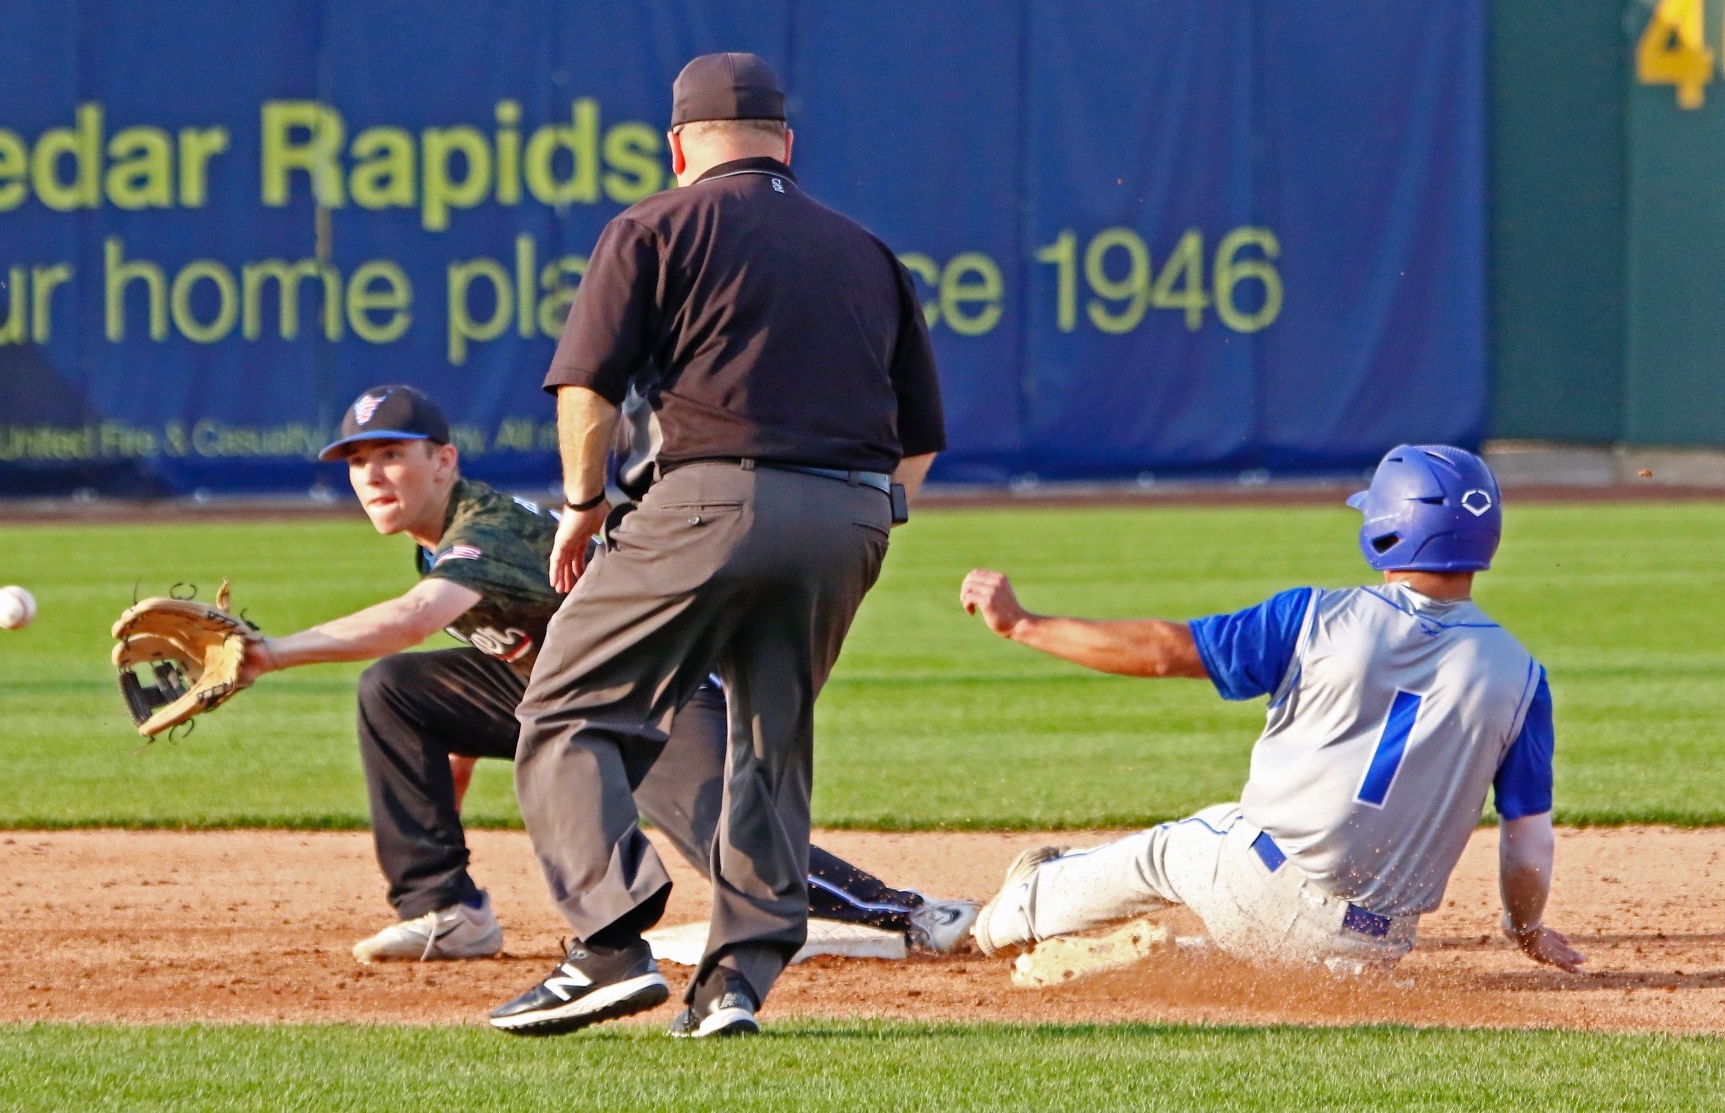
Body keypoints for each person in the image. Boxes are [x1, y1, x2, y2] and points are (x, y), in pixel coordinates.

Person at [491, 52, 946, 1038]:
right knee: (768, 748)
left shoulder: (653, 226)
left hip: (707, 499)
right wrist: (865, 521)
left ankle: (608, 944)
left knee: (567, 709)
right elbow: (918, 440)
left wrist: (581, 503)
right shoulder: (866, 251)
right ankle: (734, 983)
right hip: (850, 517)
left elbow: (587, 388)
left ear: (677, 146)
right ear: (786, 143)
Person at [235, 384, 975, 967]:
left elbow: (414, 618)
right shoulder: (437, 540)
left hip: (655, 686)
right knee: (397, 691)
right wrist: (439, 823)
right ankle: (446, 912)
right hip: (564, 691)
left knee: (731, 847)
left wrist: (270, 653)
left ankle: (910, 913)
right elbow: (486, 665)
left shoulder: (485, 528)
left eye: (391, 455)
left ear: (444, 461)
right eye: (357, 462)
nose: (371, 475)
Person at [959, 445, 1584, 976]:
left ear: (1388, 525)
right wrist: (1525, 928)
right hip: (1370, 951)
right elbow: (1528, 841)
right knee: (1264, 955)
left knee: (1171, 849)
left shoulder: (1317, 617)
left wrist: (1022, 625)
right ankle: (1160, 962)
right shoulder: (1521, 677)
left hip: (1258, 886)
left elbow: (1163, 652)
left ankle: (998, 921)